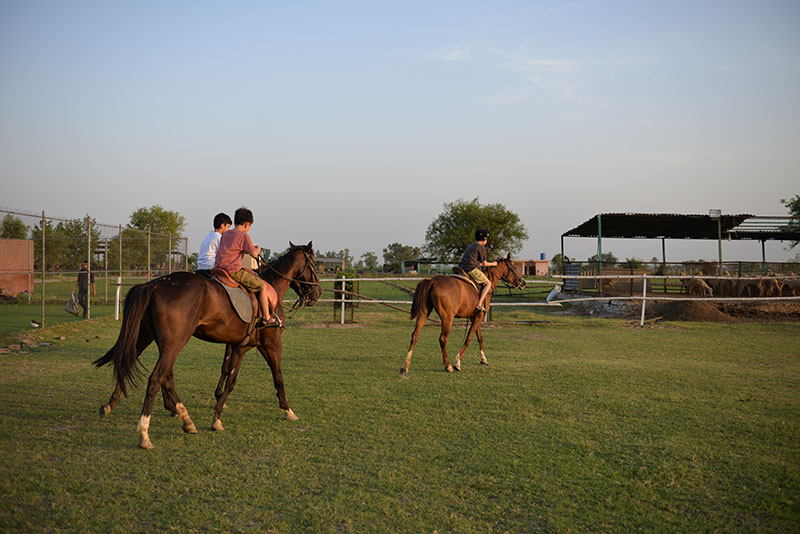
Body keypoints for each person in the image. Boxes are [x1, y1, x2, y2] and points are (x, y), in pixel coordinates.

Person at [214, 207, 281, 328]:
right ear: (246, 224)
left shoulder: (226, 234)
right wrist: (258, 249)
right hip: (233, 271)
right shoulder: (244, 236)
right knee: (262, 286)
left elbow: (232, 249)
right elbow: (254, 254)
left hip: (218, 269)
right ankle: (267, 318)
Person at [458, 229, 497, 314]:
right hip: (470, 269)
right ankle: (479, 304)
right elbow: (485, 263)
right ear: (484, 239)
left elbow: (477, 262)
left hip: (461, 268)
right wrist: (494, 263)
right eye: (486, 239)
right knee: (488, 283)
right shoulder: (481, 248)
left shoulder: (471, 246)